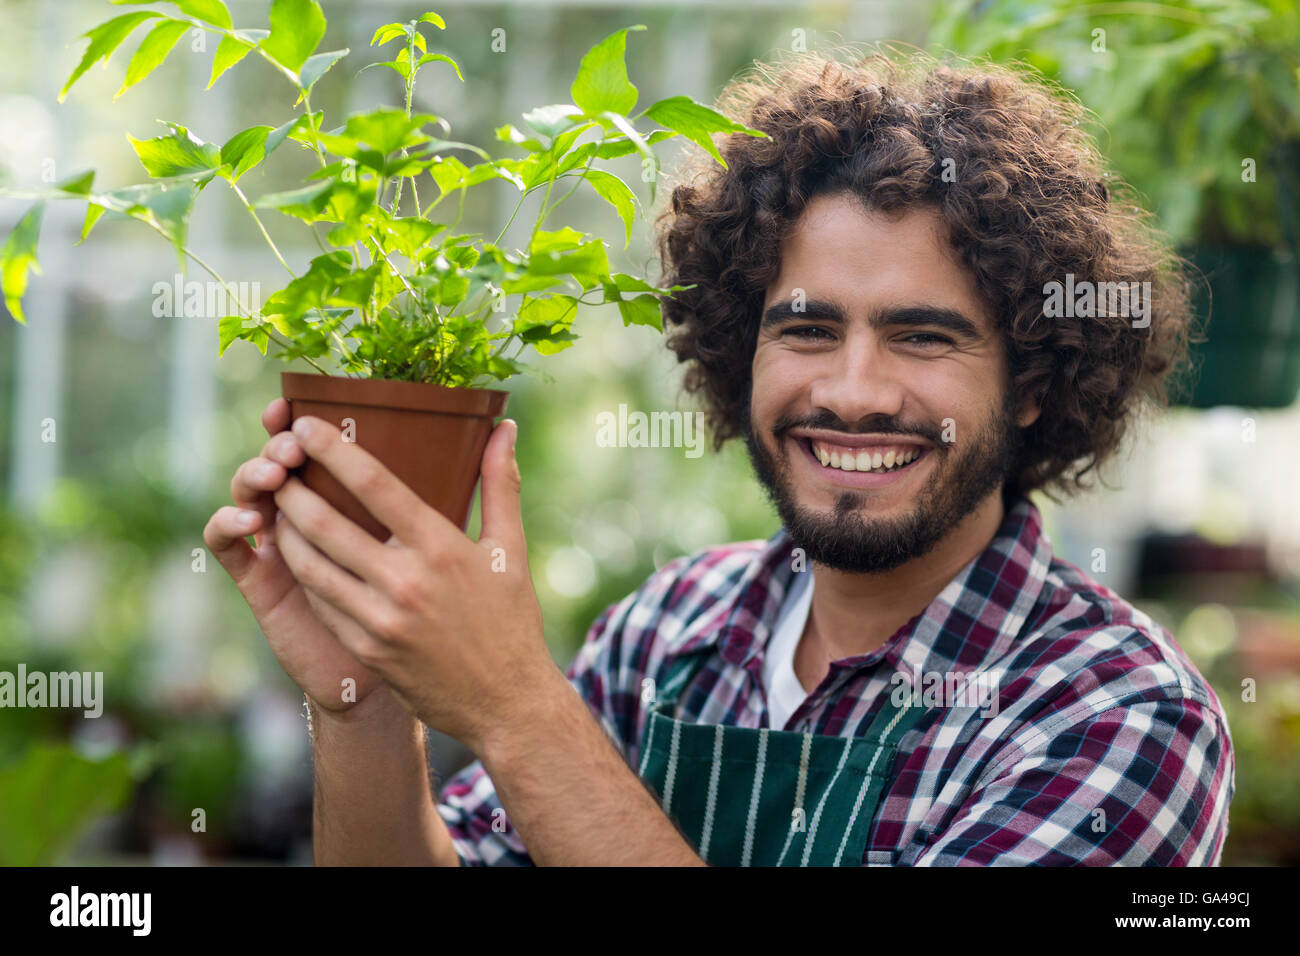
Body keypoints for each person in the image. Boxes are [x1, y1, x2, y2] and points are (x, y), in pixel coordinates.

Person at [203, 49, 1233, 866]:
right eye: (806, 328)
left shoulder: (1116, 712)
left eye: (924, 336)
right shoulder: (669, 633)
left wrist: (514, 707)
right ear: (742, 348)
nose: (852, 390)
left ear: (1036, 381)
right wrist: (365, 699)